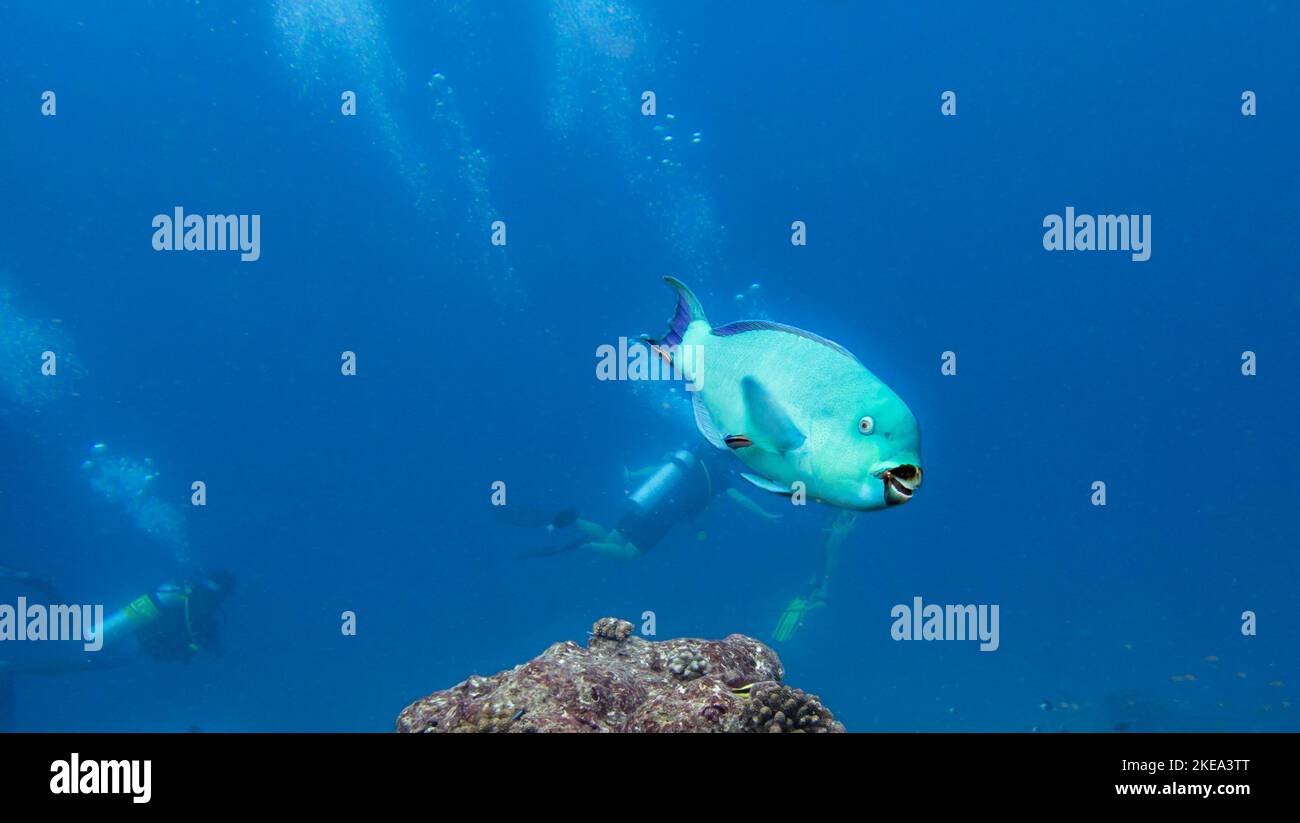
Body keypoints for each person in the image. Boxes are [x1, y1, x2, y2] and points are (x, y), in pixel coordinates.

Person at [509, 443, 782, 561]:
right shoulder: (722, 478)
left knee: (612, 537)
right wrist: (766, 514)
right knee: (626, 555)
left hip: (645, 501)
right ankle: (584, 546)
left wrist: (632, 475)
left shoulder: (691, 457)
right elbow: (741, 498)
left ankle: (576, 519)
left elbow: (657, 469)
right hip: (664, 517)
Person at [771, 508, 859, 643]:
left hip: (844, 515)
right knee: (827, 540)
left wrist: (825, 587)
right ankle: (817, 586)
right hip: (837, 511)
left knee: (833, 541)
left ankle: (823, 589)